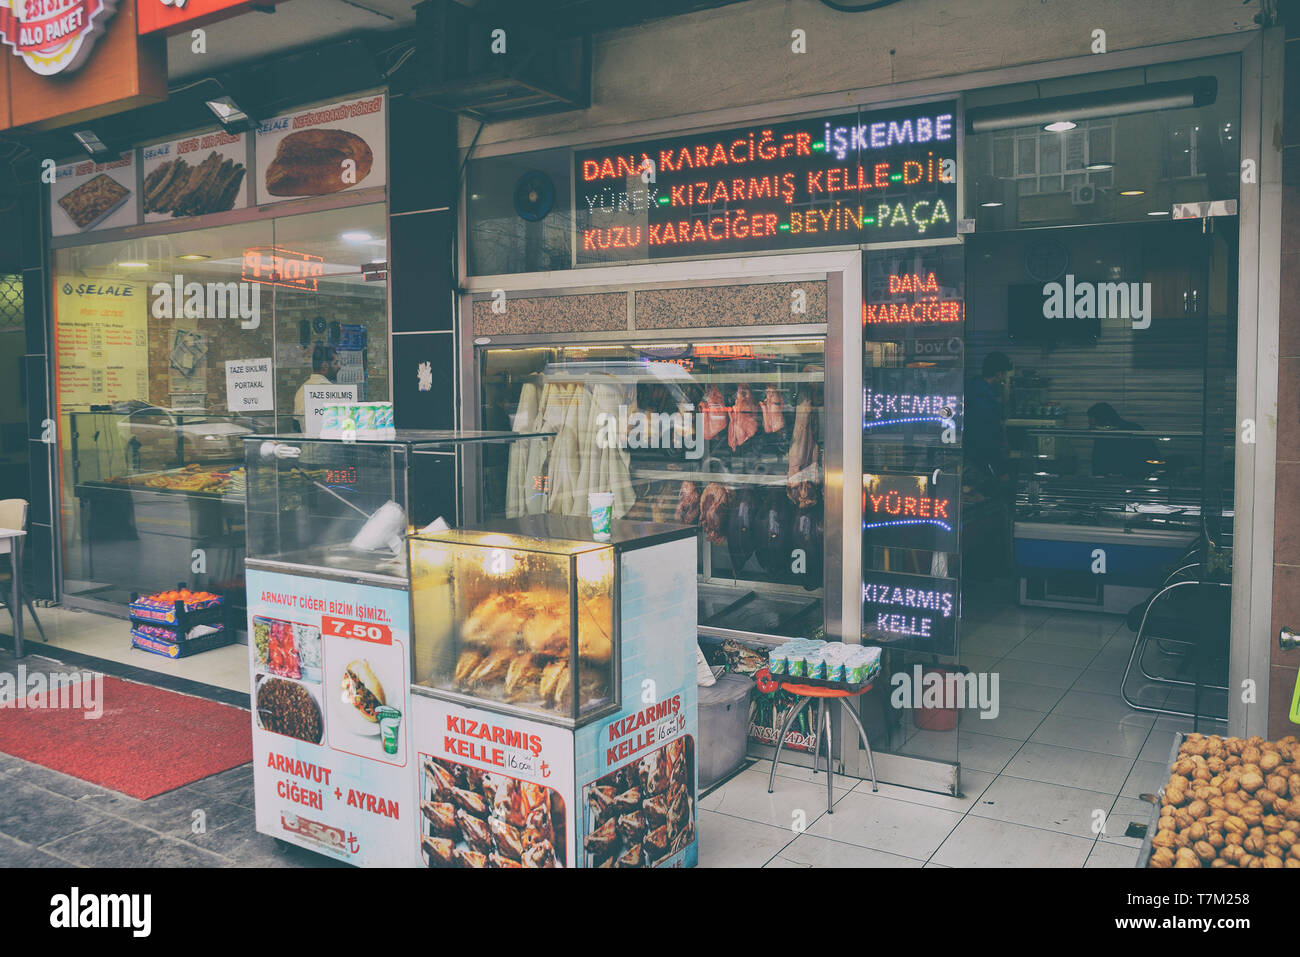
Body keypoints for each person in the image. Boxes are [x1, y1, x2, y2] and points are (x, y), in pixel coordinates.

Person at [964, 351, 1013, 482]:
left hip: (968, 453)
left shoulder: (971, 385)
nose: (1004, 380)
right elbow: (988, 432)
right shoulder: (985, 396)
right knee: (1000, 483)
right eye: (1005, 375)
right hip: (981, 452)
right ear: (998, 374)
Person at [1087, 402, 1157, 477]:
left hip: (1134, 479)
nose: (1091, 429)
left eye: (1093, 426)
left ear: (1107, 423)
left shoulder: (1131, 432)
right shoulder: (1132, 429)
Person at [293, 344, 340, 432]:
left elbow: (296, 425)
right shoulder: (331, 391)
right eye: (336, 363)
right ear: (325, 366)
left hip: (308, 443)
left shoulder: (301, 390)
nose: (339, 367)